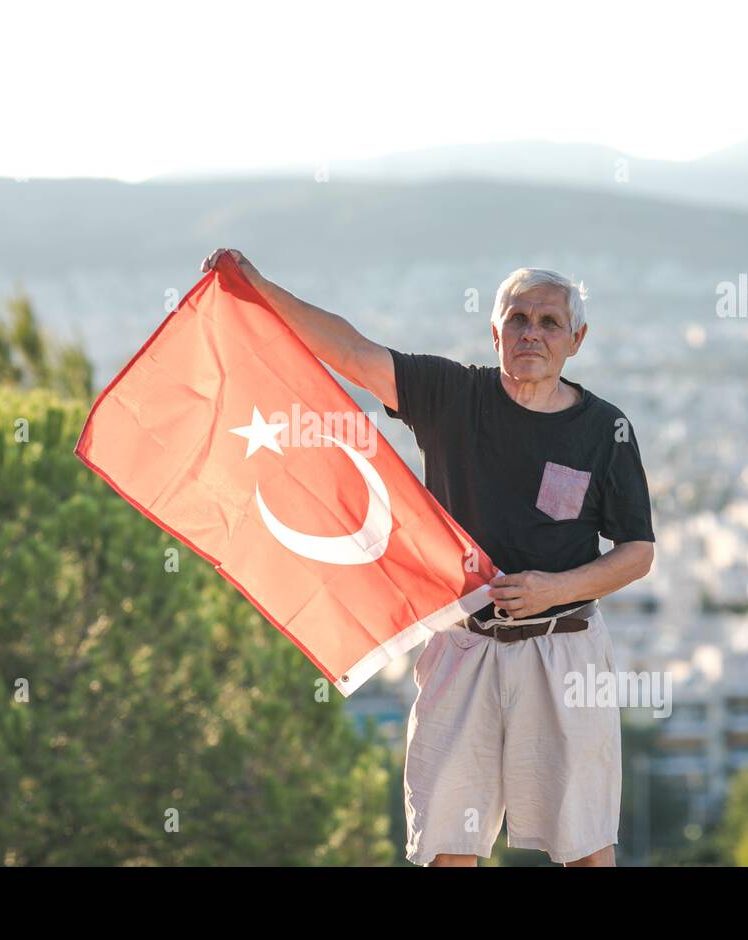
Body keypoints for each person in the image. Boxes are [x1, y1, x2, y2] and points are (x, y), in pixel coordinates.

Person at [200, 249, 655, 867]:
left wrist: (555, 589)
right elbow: (353, 353)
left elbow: (637, 552)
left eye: (549, 322)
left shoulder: (606, 430)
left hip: (564, 649)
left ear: (577, 338)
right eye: (518, 319)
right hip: (462, 647)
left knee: (584, 848)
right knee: (445, 845)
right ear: (495, 332)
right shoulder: (452, 394)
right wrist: (256, 287)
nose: (531, 333)